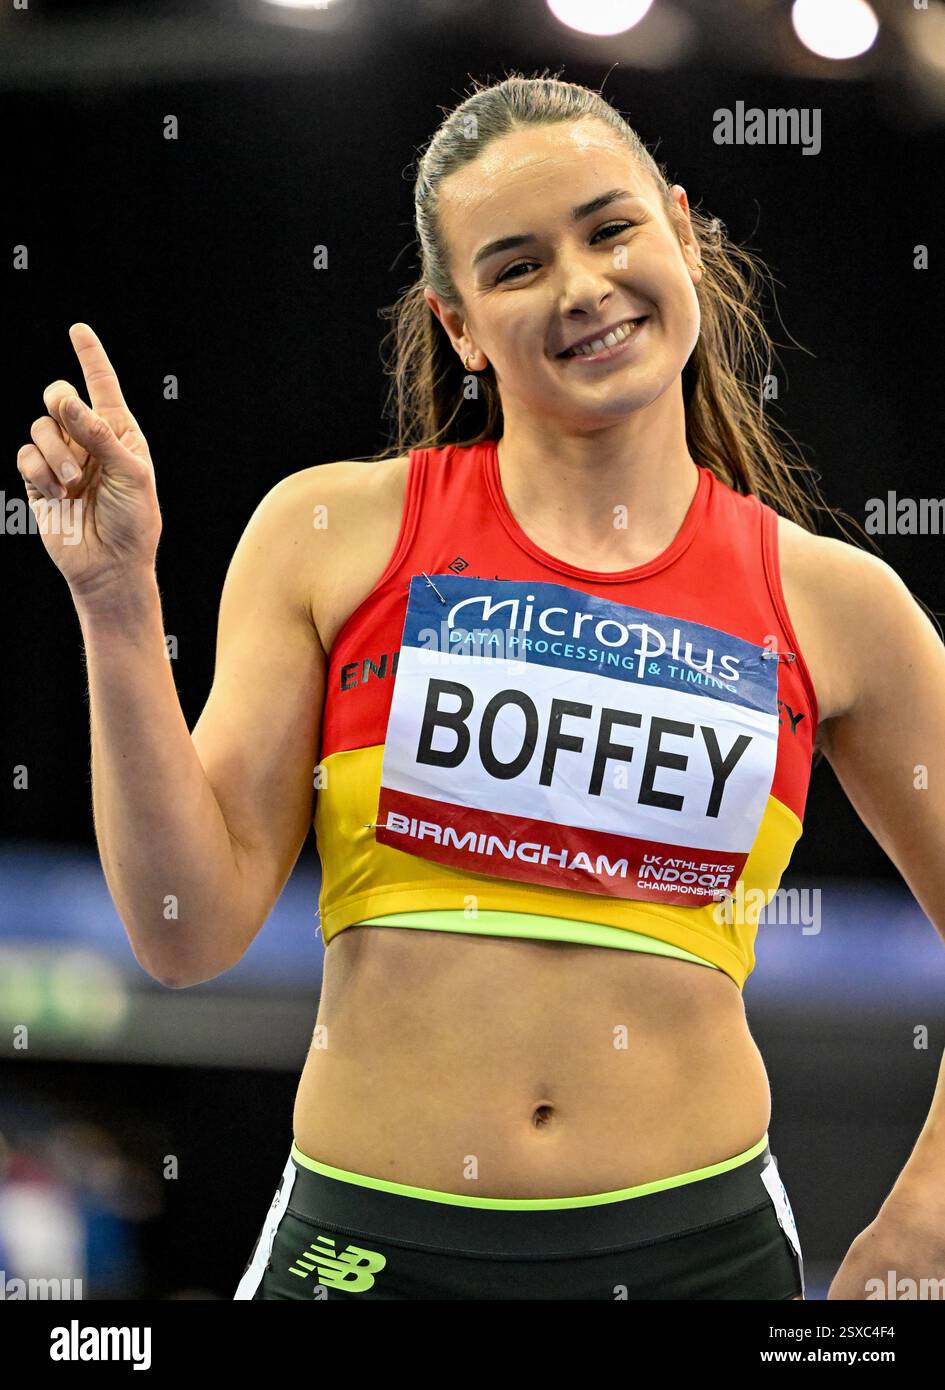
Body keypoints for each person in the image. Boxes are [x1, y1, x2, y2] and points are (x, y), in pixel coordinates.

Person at [18, 73, 945, 1302]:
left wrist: (929, 1214)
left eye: (611, 229)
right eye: (515, 266)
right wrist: (116, 601)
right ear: (459, 326)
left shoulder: (837, 605)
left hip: (692, 1260)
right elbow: (183, 934)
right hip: (368, 1254)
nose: (581, 286)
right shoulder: (329, 534)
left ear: (680, 229)